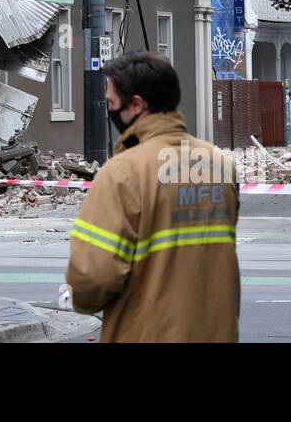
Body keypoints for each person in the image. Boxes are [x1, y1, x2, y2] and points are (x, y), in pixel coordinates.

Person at [65, 51, 240, 342]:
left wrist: (79, 297)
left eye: (111, 103)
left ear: (136, 105)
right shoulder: (219, 164)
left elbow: (92, 278)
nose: (109, 111)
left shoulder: (122, 172)